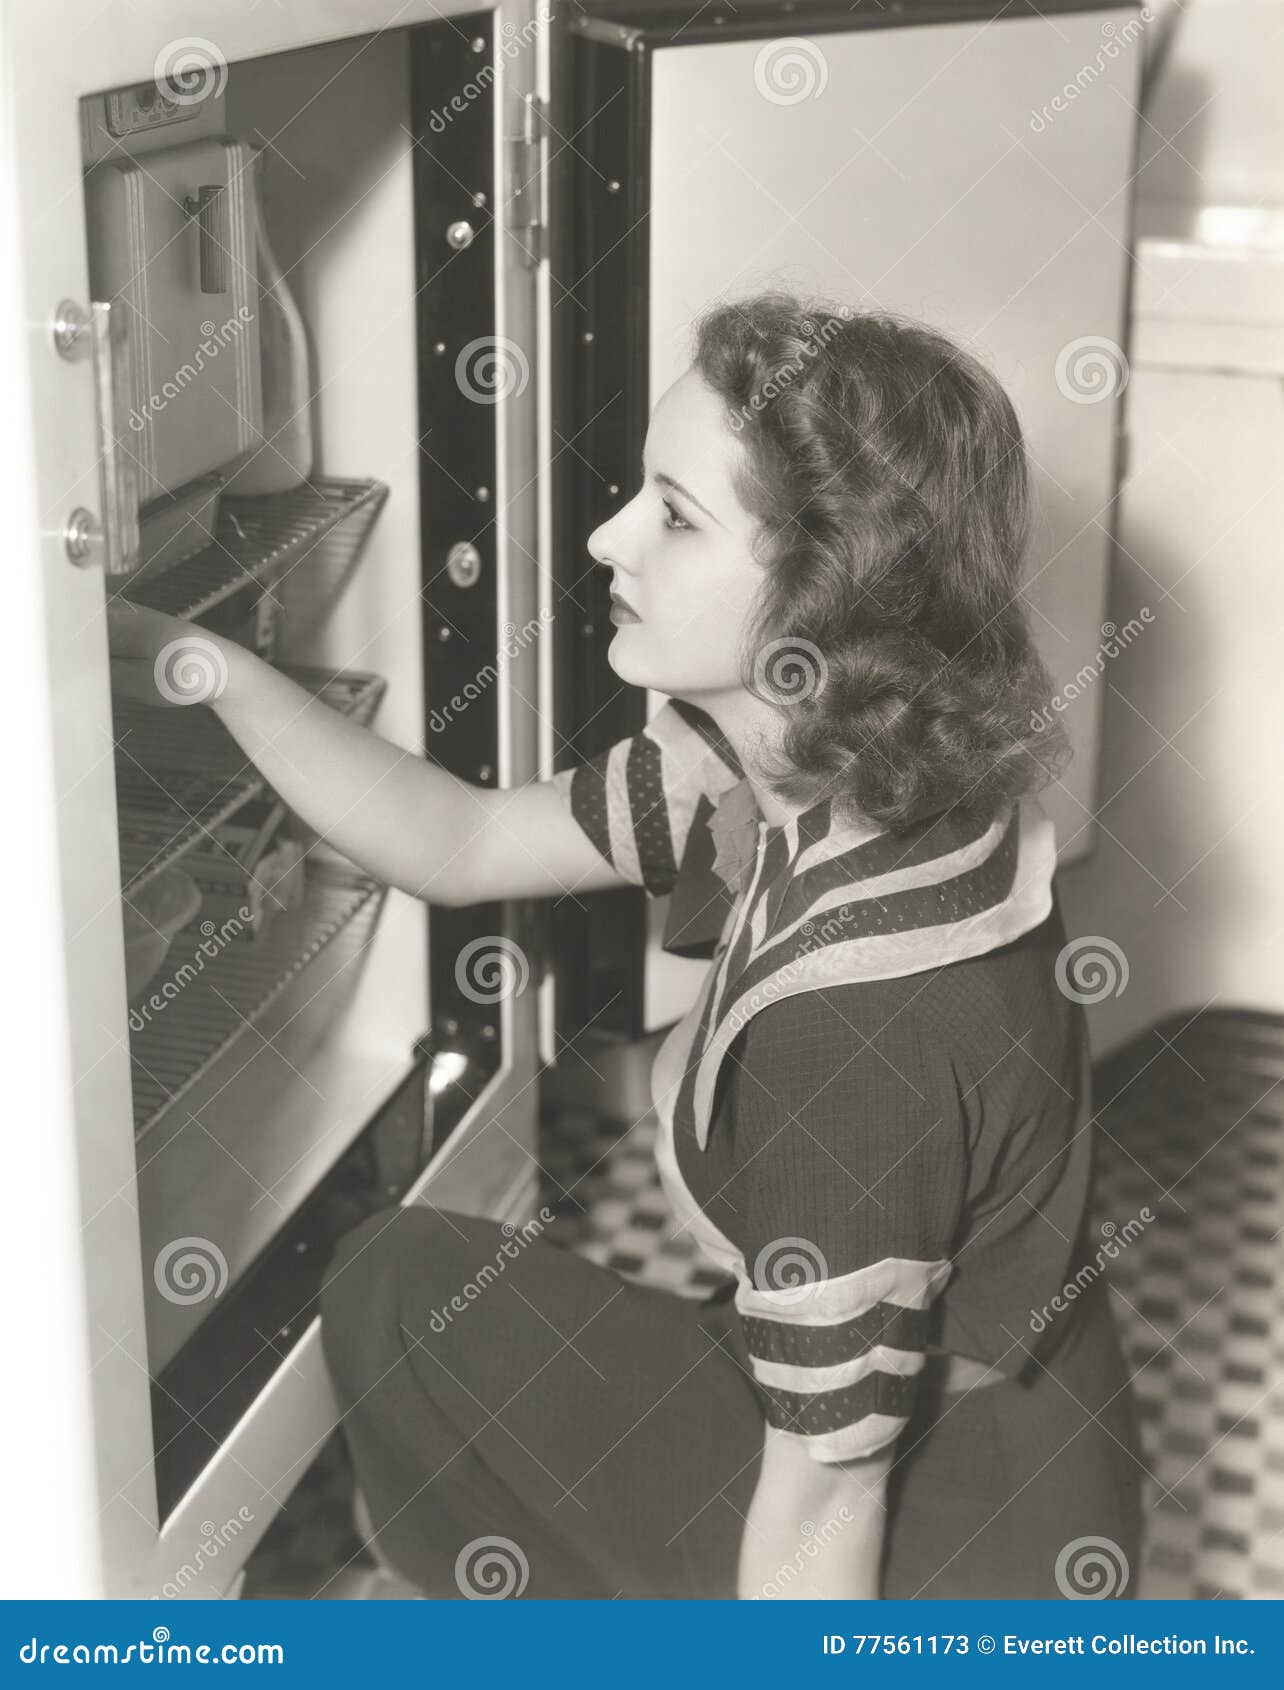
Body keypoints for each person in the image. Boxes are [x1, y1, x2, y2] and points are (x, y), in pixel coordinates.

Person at [109, 292, 1144, 1600]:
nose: (606, 536)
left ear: (827, 595)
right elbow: (462, 844)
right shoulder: (814, 760)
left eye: (673, 513)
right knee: (397, 1284)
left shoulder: (853, 1043)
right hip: (1024, 1443)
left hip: (961, 1555)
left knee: (396, 1289)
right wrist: (186, 660)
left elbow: (829, 1499)